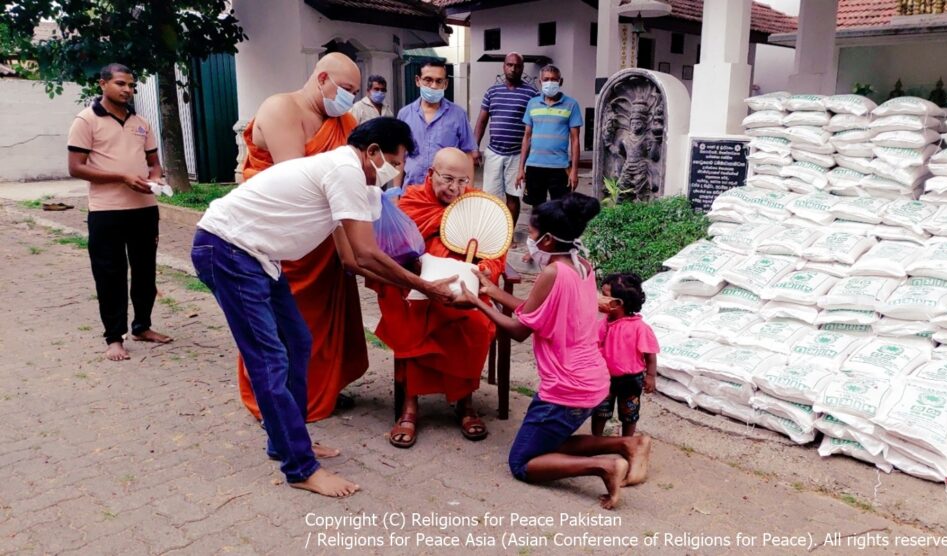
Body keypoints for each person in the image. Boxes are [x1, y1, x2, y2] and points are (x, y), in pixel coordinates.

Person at [191, 118, 457, 498]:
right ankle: (299, 467)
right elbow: (366, 253)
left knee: (298, 343)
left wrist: (420, 283)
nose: (396, 172)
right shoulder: (345, 169)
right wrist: (426, 287)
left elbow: (352, 261)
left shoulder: (358, 186)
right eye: (395, 162)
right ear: (373, 152)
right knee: (270, 359)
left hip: (258, 257)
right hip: (227, 249)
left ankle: (285, 441)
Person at [459, 193, 652, 510]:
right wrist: (492, 291)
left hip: (565, 390)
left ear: (547, 240)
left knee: (523, 462)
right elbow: (534, 312)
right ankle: (628, 443)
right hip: (593, 381)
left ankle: (605, 466)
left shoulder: (552, 273)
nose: (529, 241)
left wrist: (477, 303)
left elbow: (520, 330)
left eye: (532, 235)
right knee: (551, 443)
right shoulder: (582, 266)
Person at [238, 52, 368, 424]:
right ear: (322, 78)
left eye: (354, 92)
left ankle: (321, 390)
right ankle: (278, 401)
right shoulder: (282, 108)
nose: (349, 97)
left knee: (325, 322)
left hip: (327, 241)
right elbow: (296, 186)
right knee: (282, 324)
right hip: (285, 238)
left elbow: (356, 176)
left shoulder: (345, 119)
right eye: (345, 89)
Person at [372, 148, 506, 448]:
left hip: (462, 291)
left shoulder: (477, 206)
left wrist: (482, 270)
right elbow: (391, 250)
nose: (455, 189)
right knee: (411, 318)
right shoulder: (411, 203)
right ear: (431, 174)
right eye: (447, 179)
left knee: (474, 322)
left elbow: (495, 253)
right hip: (417, 289)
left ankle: (465, 402)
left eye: (463, 181)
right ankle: (410, 406)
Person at [67, 63, 173, 362]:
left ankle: (142, 326)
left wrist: (155, 178)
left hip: (144, 209)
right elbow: (76, 167)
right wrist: (122, 177)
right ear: (102, 84)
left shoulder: (141, 122)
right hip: (107, 211)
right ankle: (114, 337)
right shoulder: (86, 120)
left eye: (131, 85)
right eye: (120, 84)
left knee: (145, 271)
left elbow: (154, 162)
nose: (127, 89)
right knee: (110, 275)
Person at [590, 273, 659, 437]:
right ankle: (595, 441)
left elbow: (650, 355)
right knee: (600, 411)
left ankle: (627, 442)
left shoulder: (640, 328)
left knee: (629, 414)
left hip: (630, 380)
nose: (599, 299)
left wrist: (650, 376)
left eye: (605, 296)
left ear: (619, 303)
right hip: (604, 378)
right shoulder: (603, 324)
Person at [474, 53, 537, 232]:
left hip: (518, 154)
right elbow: (482, 121)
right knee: (491, 197)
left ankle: (508, 235)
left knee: (513, 196)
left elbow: (535, 125)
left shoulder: (532, 94)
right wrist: (475, 147)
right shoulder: (492, 92)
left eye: (517, 66)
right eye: (509, 65)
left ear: (522, 68)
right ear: (503, 66)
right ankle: (492, 233)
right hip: (494, 152)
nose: (513, 69)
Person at [397, 61, 478, 188]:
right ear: (418, 81)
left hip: (446, 192)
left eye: (439, 81)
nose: (434, 86)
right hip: (412, 191)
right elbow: (399, 157)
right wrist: (396, 193)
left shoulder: (458, 115)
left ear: (445, 84)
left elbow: (467, 156)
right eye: (428, 80)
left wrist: (468, 193)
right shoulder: (405, 114)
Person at [516, 65, 583, 209]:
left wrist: (574, 171)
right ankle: (540, 233)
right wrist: (521, 168)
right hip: (534, 166)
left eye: (554, 79)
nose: (550, 82)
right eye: (546, 79)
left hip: (560, 167)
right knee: (537, 208)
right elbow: (527, 137)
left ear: (561, 81)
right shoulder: (532, 104)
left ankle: (556, 233)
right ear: (540, 82)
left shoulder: (571, 105)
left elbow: (575, 140)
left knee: (560, 209)